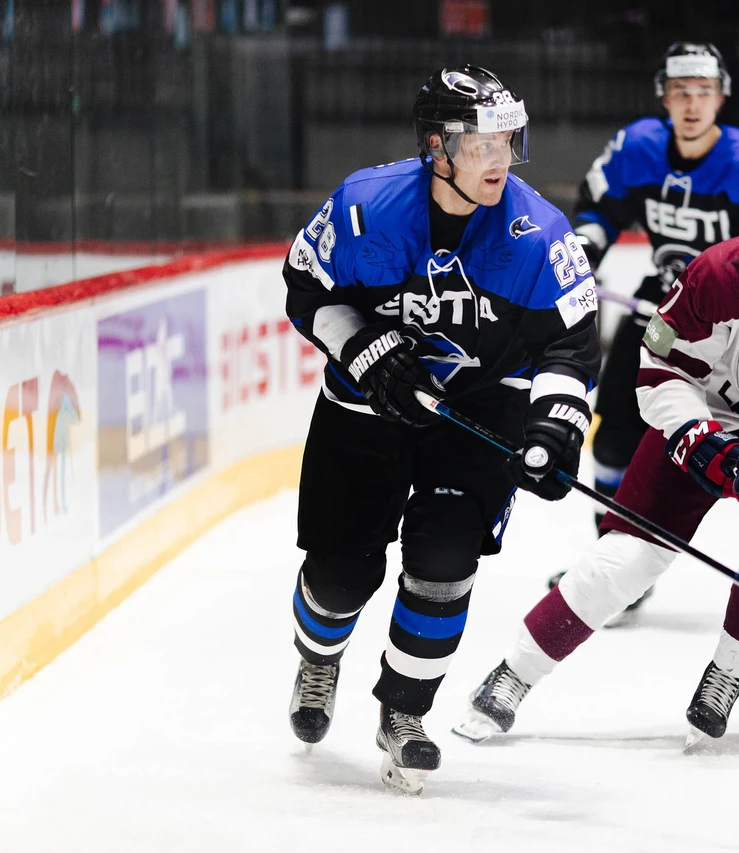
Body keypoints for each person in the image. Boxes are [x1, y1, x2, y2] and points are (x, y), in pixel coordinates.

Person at [456, 150, 739, 749]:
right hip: (704, 420)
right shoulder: (714, 274)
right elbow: (659, 371)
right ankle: (513, 673)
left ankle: (726, 677)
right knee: (625, 562)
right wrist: (695, 436)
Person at [281, 65, 601, 793]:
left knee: (445, 560)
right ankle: (319, 657)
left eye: (507, 142)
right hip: (363, 411)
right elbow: (305, 291)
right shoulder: (366, 207)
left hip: (476, 417)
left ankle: (403, 712)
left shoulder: (535, 233)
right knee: (341, 573)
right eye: (483, 144)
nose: (501, 159)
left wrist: (555, 425)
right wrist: (367, 351)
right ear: (438, 147)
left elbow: (572, 345)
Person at [550, 42, 739, 621]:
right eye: (681, 92)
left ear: (721, 97)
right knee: (611, 437)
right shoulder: (638, 147)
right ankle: (613, 562)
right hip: (663, 308)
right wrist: (584, 255)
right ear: (665, 97)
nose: (692, 103)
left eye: (704, 92)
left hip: (738, 325)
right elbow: (599, 210)